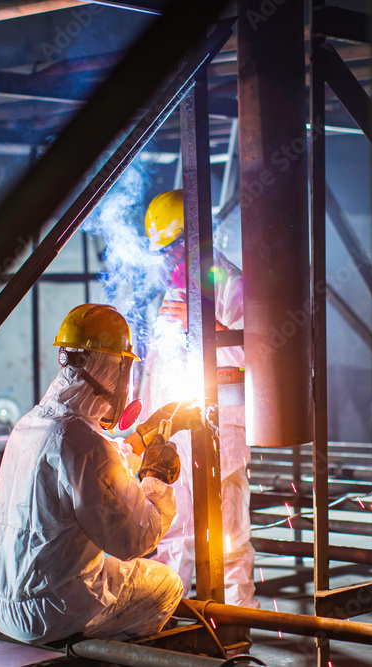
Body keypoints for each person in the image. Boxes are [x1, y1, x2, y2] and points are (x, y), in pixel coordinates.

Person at [0, 304, 199, 644]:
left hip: (2, 602)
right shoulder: (84, 445)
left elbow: (93, 472)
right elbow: (134, 541)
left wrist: (140, 438)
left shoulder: (33, 424)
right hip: (50, 612)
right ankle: (112, 655)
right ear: (112, 368)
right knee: (165, 583)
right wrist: (156, 478)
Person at [139, 189, 256, 608]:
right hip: (177, 435)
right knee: (173, 536)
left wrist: (202, 329)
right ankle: (169, 621)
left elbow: (255, 354)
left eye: (173, 247)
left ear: (195, 238)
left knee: (229, 540)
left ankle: (239, 624)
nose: (169, 259)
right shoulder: (173, 293)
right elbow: (156, 365)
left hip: (220, 431)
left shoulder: (229, 283)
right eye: (163, 251)